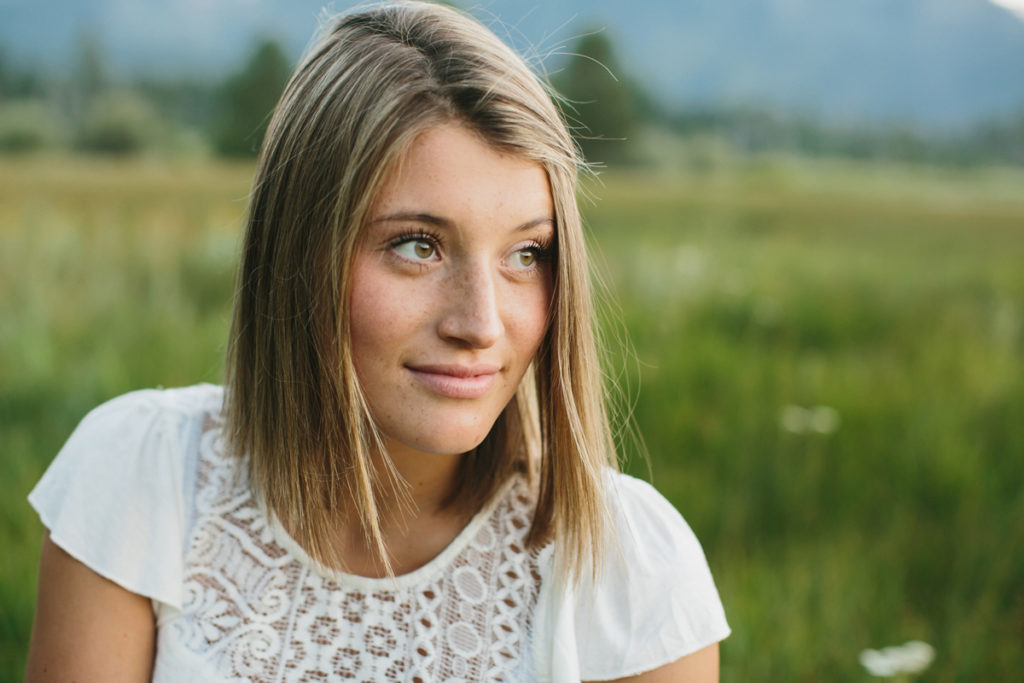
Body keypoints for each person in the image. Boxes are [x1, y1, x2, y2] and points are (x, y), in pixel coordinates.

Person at [24, 2, 730, 680]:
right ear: (302, 250)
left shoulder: (630, 569)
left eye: (526, 254)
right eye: (418, 245)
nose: (481, 323)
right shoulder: (143, 480)